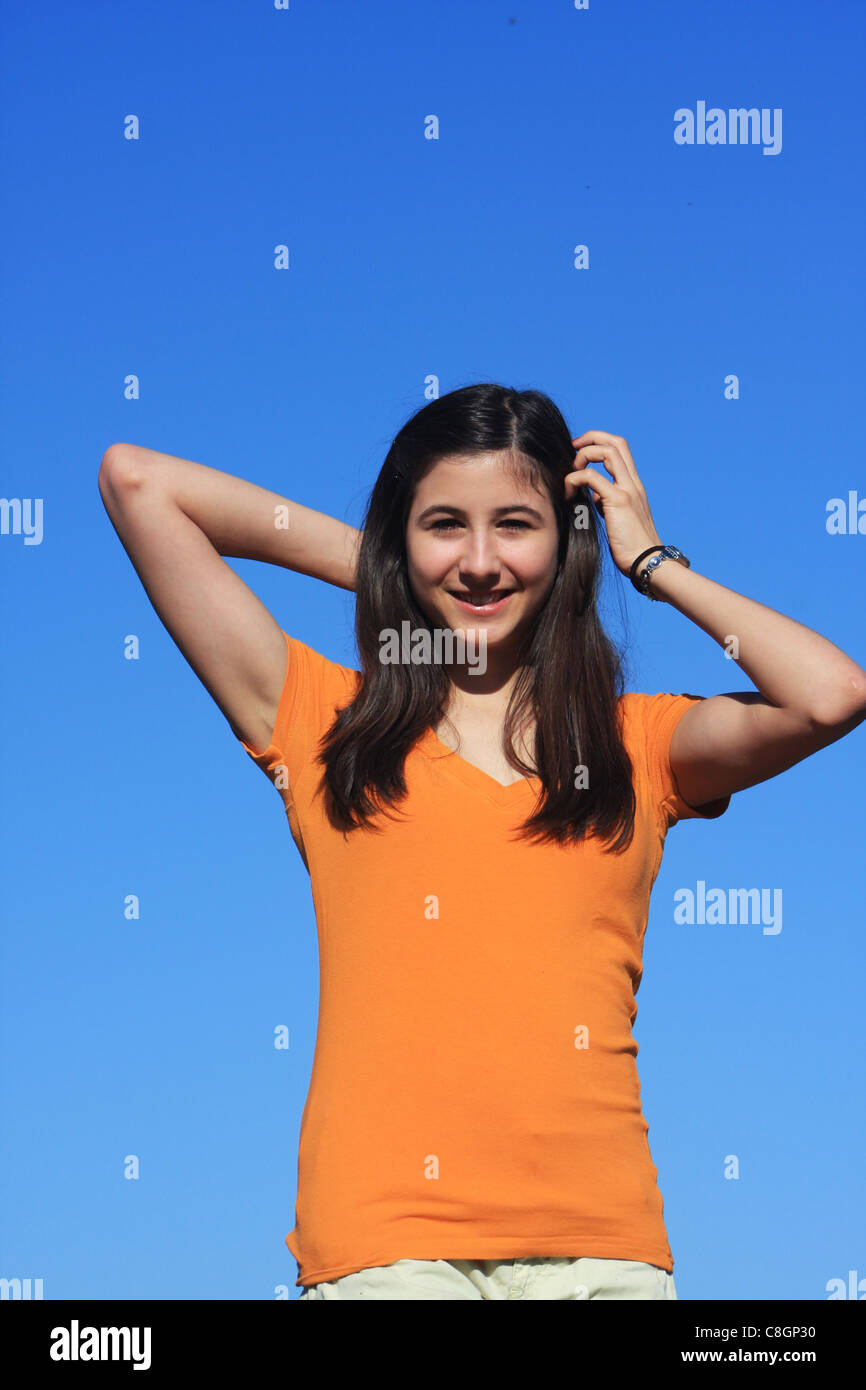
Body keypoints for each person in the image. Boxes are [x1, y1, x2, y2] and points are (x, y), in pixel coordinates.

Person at [97, 383, 866, 1301]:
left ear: (566, 541)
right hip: (387, 1252)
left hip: (603, 1254)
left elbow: (829, 696)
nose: (480, 560)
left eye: (514, 525)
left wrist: (652, 561)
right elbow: (138, 483)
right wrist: (395, 575)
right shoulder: (319, 724)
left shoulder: (637, 748)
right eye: (444, 525)